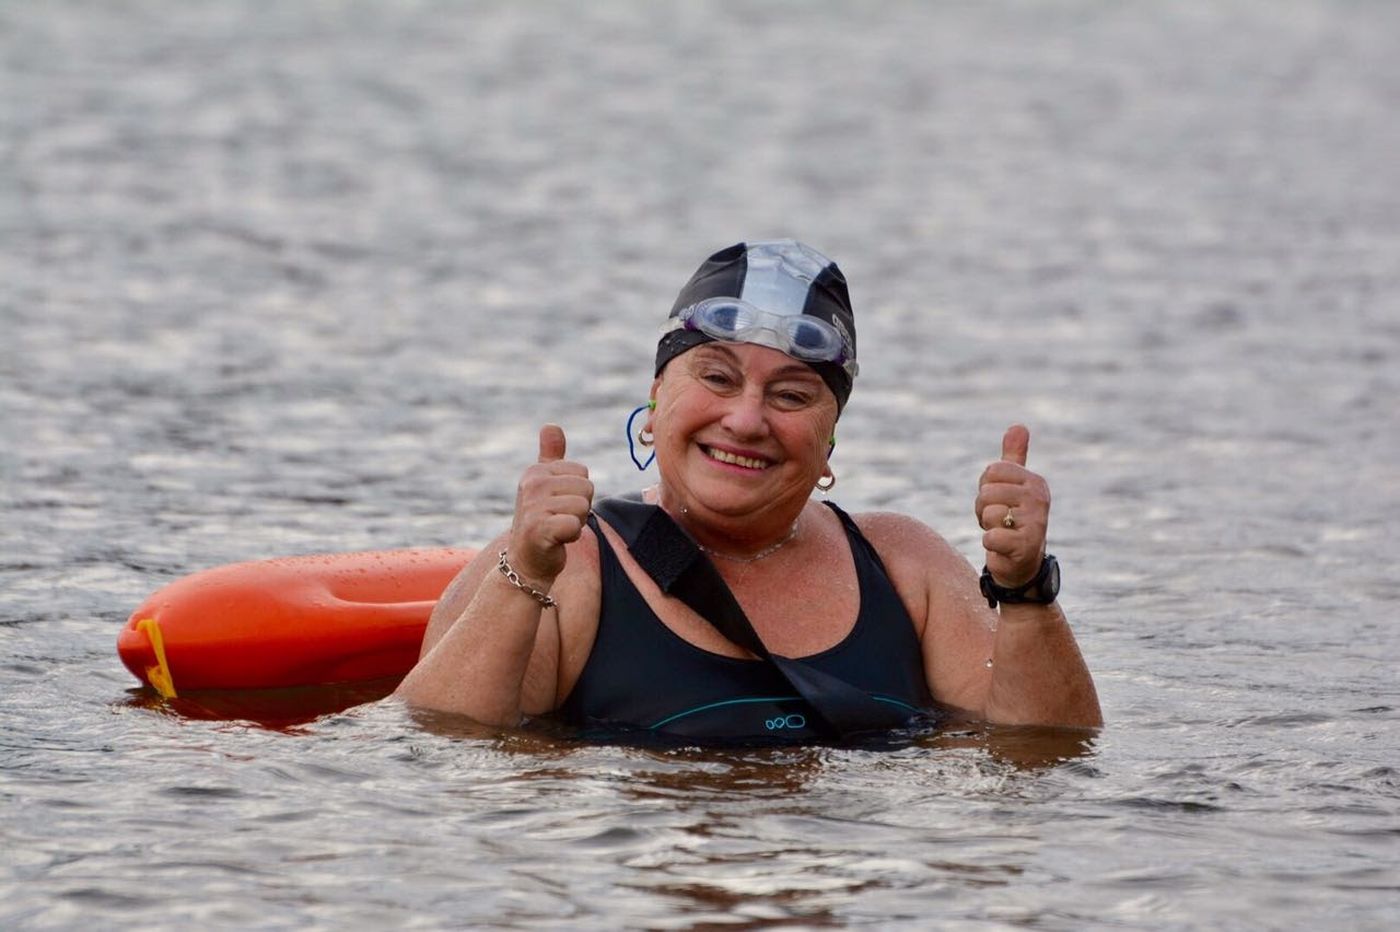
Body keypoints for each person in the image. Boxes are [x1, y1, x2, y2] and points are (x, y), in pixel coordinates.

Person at [395, 240, 1101, 742]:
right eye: (717, 377)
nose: (746, 419)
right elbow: (438, 747)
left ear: (829, 442)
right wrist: (524, 579)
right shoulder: (564, 567)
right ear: (656, 397)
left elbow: (1046, 751)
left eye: (791, 395)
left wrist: (1024, 588)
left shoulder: (903, 564)